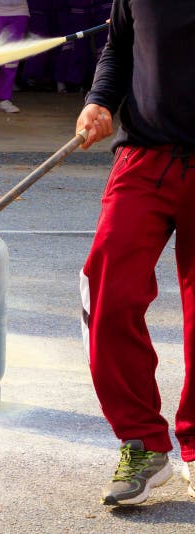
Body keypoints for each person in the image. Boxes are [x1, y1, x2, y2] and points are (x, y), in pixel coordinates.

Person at [77, 0, 195, 505]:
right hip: (144, 156)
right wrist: (99, 99)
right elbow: (119, 46)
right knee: (107, 293)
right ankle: (143, 443)